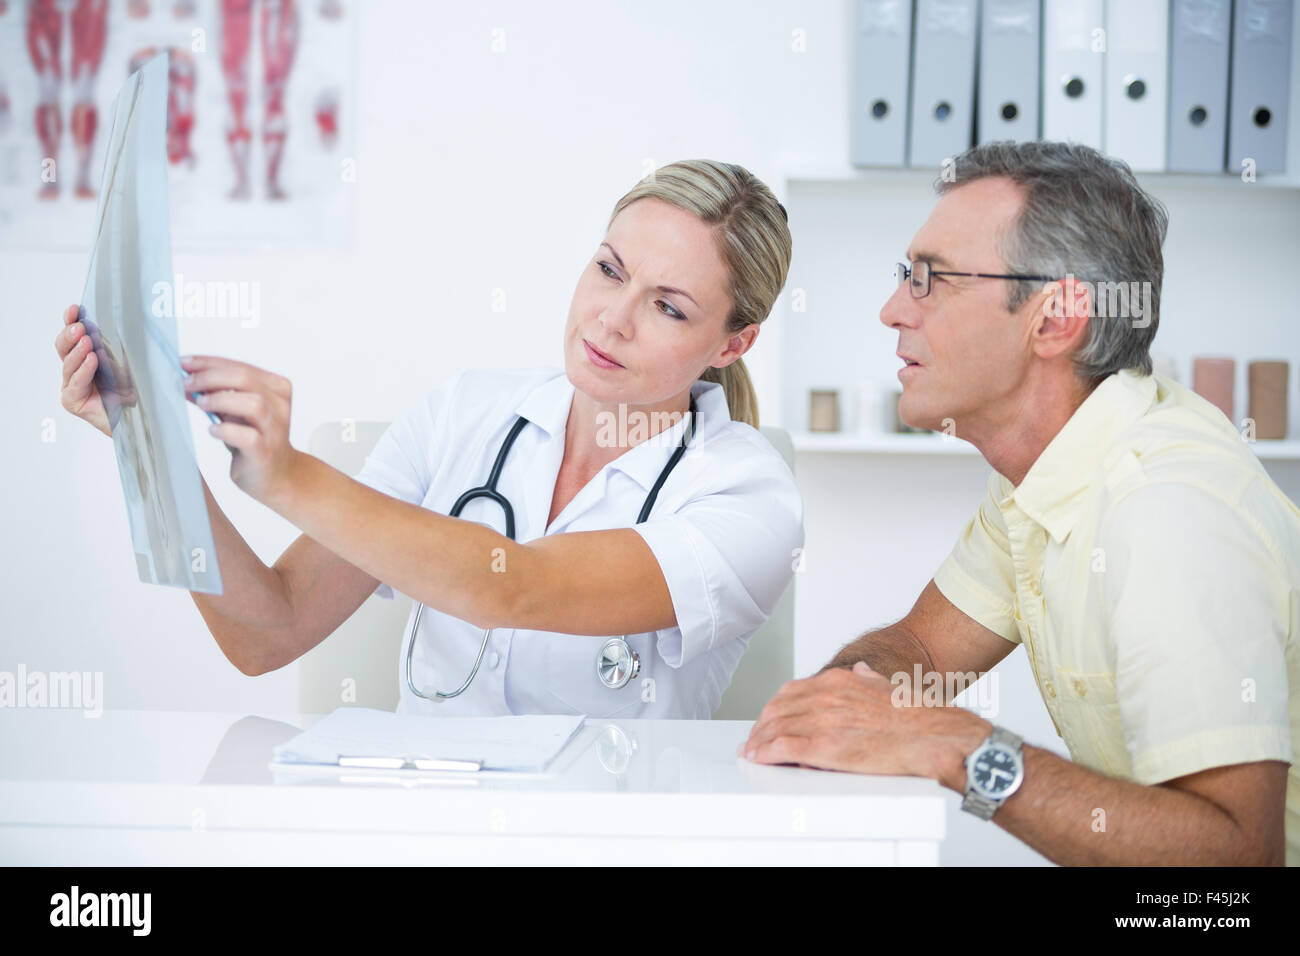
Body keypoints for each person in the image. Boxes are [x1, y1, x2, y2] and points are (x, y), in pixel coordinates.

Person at [56, 158, 804, 720]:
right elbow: (269, 631)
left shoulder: (747, 495)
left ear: (732, 345)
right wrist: (145, 445)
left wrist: (288, 476)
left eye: (668, 308)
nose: (613, 318)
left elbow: (512, 584)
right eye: (609, 270)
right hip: (420, 833)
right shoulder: (464, 414)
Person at [741, 140, 1297, 866]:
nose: (890, 310)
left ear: (1054, 318)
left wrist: (951, 743)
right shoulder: (1042, 478)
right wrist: (851, 705)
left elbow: (1235, 860)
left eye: (929, 279)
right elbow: (918, 651)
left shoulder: (1166, 508)